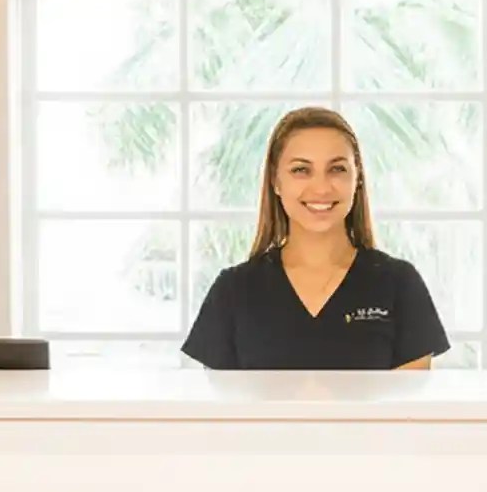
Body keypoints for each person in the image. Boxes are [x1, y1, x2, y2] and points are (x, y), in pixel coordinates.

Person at [181, 106, 450, 370]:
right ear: (276, 181)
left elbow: (409, 410)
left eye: (337, 169)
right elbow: (221, 409)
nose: (321, 187)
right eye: (301, 170)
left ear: (357, 178)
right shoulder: (233, 291)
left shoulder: (399, 285)